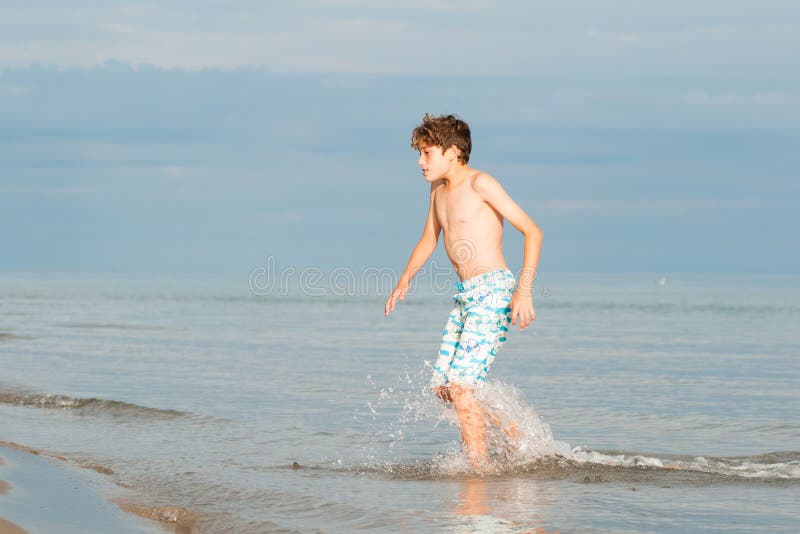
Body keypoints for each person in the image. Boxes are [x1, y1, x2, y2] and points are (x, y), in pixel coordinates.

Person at [384, 114, 543, 468]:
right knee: (444, 388)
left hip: (494, 292)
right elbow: (429, 238)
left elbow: (533, 232)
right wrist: (405, 278)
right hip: (466, 295)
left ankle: (478, 470)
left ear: (453, 152)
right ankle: (518, 441)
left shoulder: (481, 184)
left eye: (427, 153)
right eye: (419, 153)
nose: (420, 161)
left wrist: (525, 291)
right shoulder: (437, 190)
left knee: (460, 389)